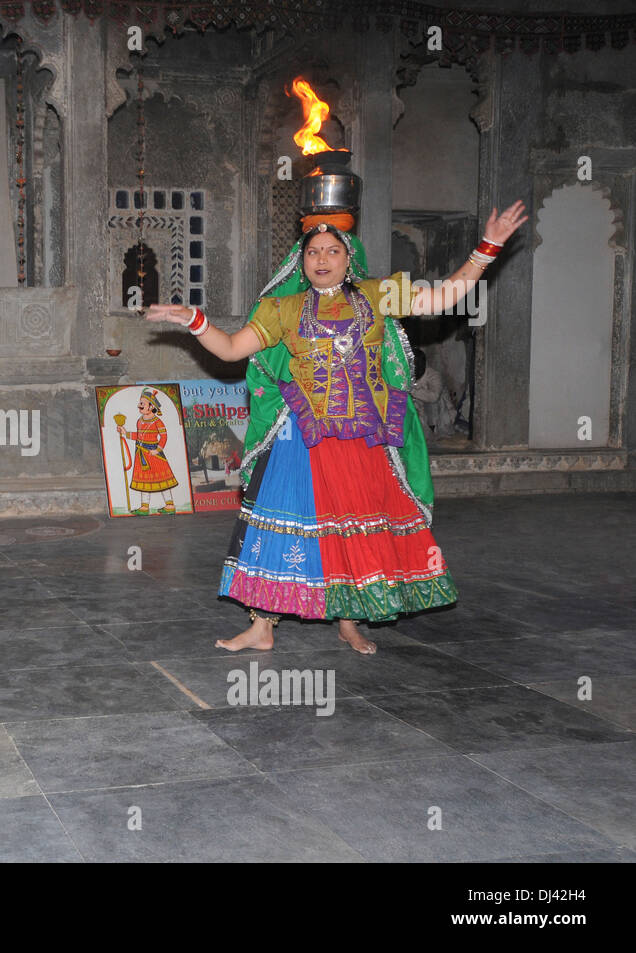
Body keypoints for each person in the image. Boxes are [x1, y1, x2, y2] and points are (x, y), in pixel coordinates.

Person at [145, 202, 528, 654]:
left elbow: (444, 297)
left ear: (349, 259)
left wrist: (491, 245)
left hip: (362, 438)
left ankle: (349, 621)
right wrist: (194, 321)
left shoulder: (378, 294)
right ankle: (261, 626)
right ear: (300, 261)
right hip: (300, 437)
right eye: (313, 252)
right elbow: (229, 349)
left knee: (354, 529)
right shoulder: (281, 309)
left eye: (331, 251)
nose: (322, 259)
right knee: (278, 526)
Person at [117, 387, 179, 514]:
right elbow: (139, 436)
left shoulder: (157, 422)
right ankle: (144, 508)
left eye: (142, 403)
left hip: (154, 454)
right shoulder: (139, 421)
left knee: (163, 481)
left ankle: (170, 505)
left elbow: (164, 436)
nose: (139, 405)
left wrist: (157, 450)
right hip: (141, 454)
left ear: (151, 406)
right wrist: (125, 433)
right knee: (143, 481)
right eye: (140, 403)